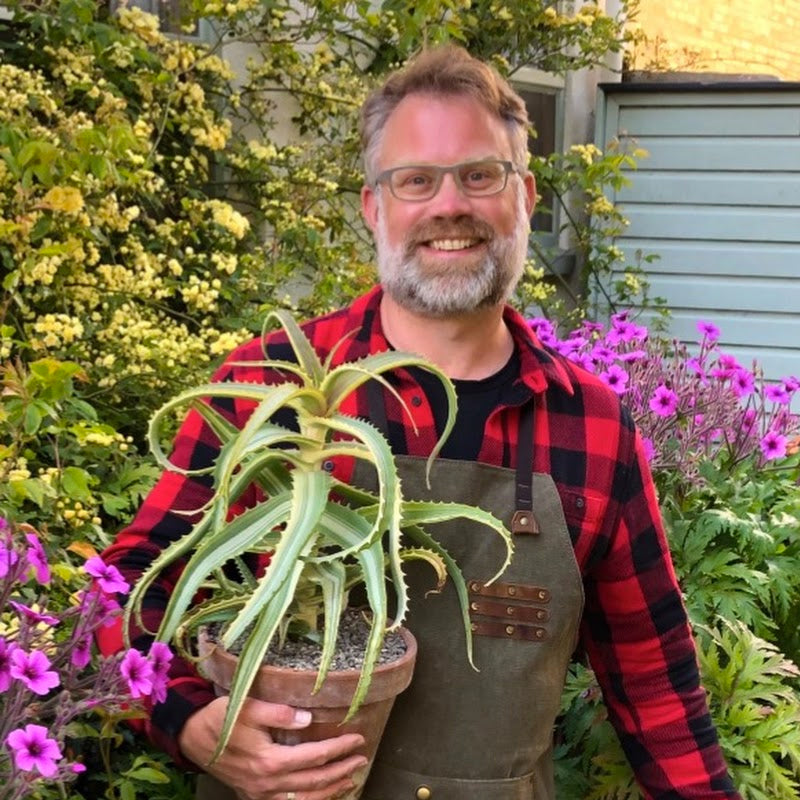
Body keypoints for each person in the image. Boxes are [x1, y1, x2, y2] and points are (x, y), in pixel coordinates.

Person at [98, 45, 742, 800]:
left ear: (525, 196)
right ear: (375, 206)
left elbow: (656, 682)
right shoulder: (273, 385)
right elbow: (124, 590)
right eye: (415, 180)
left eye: (480, 175)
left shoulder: (591, 425)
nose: (450, 206)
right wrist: (190, 721)